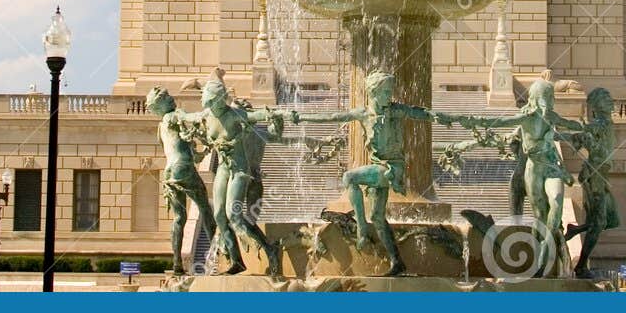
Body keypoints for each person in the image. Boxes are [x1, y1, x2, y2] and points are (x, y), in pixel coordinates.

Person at [292, 71, 456, 276]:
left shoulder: (394, 111)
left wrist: (441, 117)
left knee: (349, 177)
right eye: (386, 92)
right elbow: (332, 116)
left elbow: (418, 112)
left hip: (391, 168)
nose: (390, 95)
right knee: (377, 217)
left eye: (390, 91)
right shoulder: (363, 114)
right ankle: (397, 261)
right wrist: (301, 117)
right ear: (373, 92)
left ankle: (361, 228)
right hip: (378, 166)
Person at [445, 76, 583, 276]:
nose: (547, 101)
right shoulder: (525, 118)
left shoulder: (551, 117)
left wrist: (589, 128)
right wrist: (474, 121)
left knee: (556, 200)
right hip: (532, 171)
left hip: (551, 168)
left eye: (549, 97)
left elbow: (569, 124)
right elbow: (502, 122)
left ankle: (546, 245)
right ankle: (539, 256)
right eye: (544, 96)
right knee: (539, 215)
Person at [181, 77, 286, 275]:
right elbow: (188, 116)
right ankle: (236, 260)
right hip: (223, 167)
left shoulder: (235, 115)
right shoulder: (208, 115)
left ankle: (269, 249)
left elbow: (260, 115)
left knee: (234, 215)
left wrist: (276, 116)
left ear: (217, 100)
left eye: (210, 100)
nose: (207, 103)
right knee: (219, 216)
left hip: (239, 169)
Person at [145, 87, 218, 276]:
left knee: (179, 218)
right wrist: (210, 112)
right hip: (183, 169)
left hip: (169, 173)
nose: (171, 98)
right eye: (166, 97)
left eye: (169, 95)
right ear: (160, 105)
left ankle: (177, 262)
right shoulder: (174, 115)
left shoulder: (161, 127)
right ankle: (215, 259)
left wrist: (202, 151)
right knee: (205, 209)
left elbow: (185, 151)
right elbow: (191, 118)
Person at [563, 87, 619, 278]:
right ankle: (580, 267)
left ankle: (575, 230)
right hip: (594, 175)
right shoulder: (599, 124)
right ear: (596, 106)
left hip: (601, 175)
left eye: (609, 97)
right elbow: (578, 132)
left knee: (606, 220)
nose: (610, 100)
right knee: (600, 221)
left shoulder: (607, 123)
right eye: (605, 98)